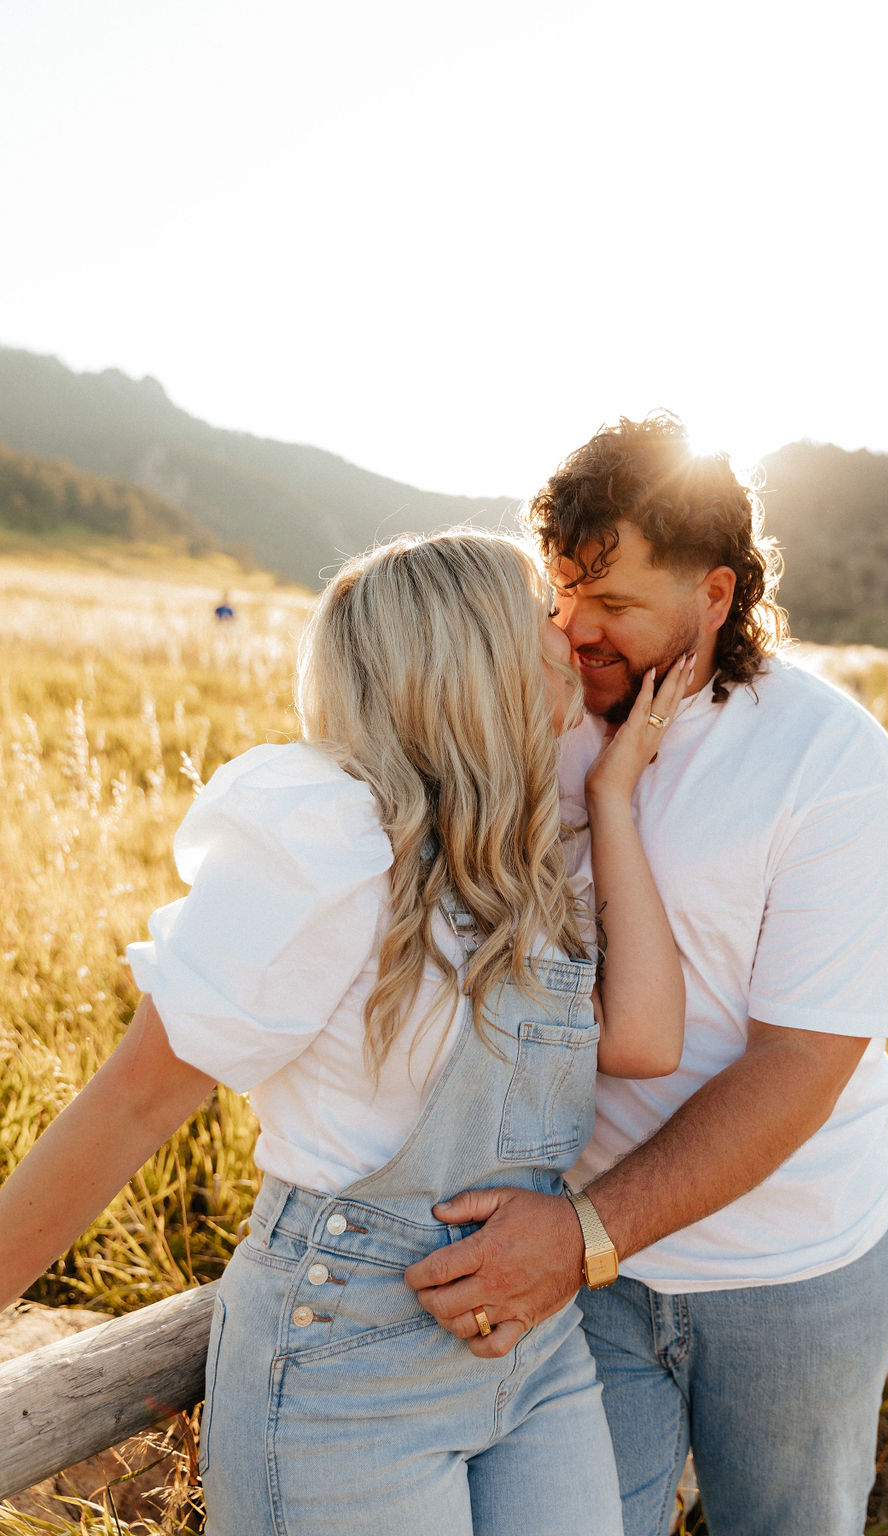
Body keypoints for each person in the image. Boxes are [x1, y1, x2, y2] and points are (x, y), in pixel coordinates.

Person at [0, 528, 689, 1536]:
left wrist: (614, 797)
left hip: (532, 1351)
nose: (567, 628)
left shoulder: (519, 859)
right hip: (349, 1362)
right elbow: (133, 1101)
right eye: (540, 608)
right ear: (470, 650)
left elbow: (646, 1038)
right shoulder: (328, 836)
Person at [406, 418, 888, 1536]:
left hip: (790, 1271)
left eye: (615, 606)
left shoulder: (829, 763)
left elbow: (802, 1062)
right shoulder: (538, 719)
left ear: (716, 594)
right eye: (561, 594)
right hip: (584, 1286)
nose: (573, 630)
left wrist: (584, 1233)